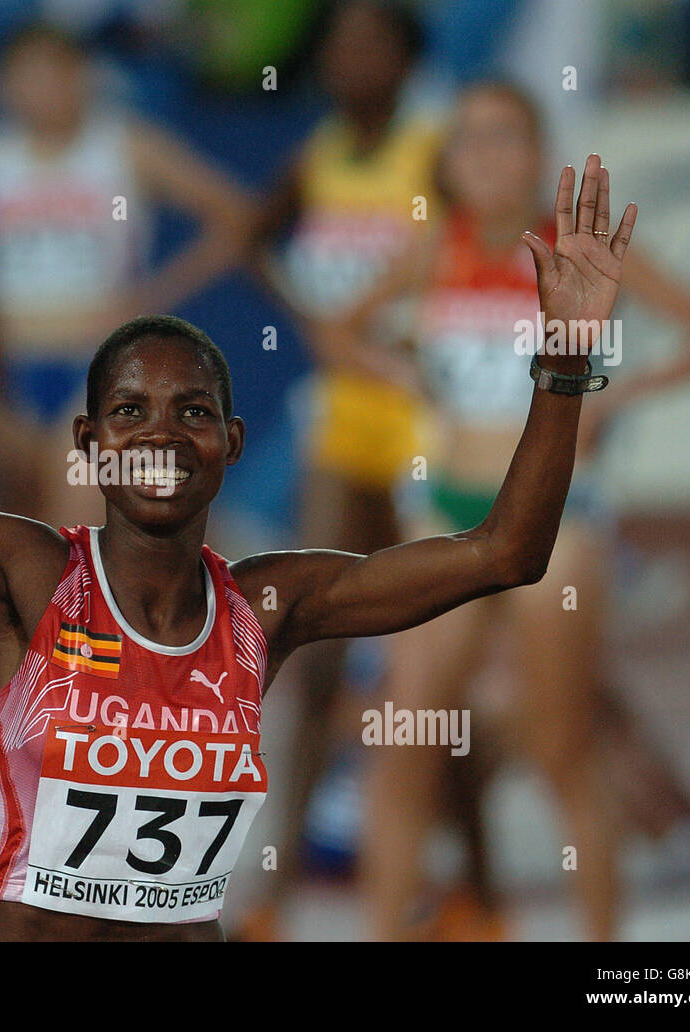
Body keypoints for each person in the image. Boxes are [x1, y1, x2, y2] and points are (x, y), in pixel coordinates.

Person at [0, 61, 635, 941]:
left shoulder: (267, 607)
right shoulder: (26, 576)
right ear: (88, 443)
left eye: (191, 411)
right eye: (129, 410)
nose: (160, 433)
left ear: (229, 445)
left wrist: (563, 360)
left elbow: (505, 552)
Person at [315, 81, 690, 940]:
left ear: (538, 153)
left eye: (504, 138)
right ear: (449, 160)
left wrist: (614, 400)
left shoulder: (580, 252)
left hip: (559, 522)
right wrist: (402, 374)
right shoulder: (434, 245)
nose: (484, 156)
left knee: (562, 751)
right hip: (446, 513)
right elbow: (335, 330)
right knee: (403, 750)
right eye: (467, 139)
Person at [243, 0, 442, 938]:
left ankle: (461, 879)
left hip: (432, 424)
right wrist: (314, 319)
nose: (347, 58)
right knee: (310, 642)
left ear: (407, 60)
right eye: (339, 44)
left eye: (370, 43)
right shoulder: (319, 154)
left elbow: (489, 238)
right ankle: (276, 886)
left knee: (440, 663)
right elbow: (251, 233)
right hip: (344, 430)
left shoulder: (439, 148)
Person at [0, 21, 251, 526]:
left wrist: (155, 294)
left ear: (83, 77)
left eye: (57, 74)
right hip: (8, 364)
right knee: (11, 534)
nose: (44, 90)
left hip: (95, 362)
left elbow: (239, 217)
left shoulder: (126, 147)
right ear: (3, 86)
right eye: (28, 77)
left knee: (78, 522)